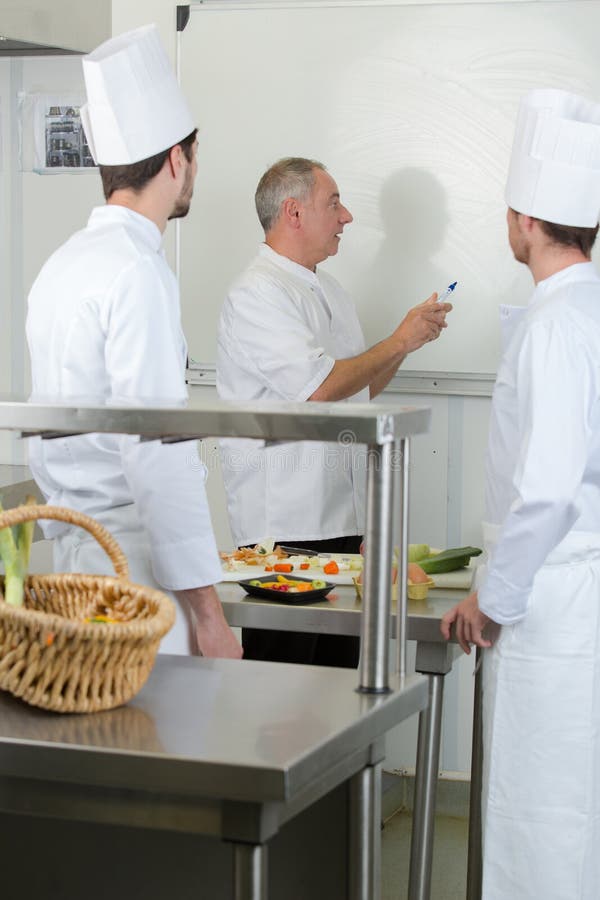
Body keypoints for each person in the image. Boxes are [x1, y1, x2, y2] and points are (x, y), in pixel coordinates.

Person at [26, 24, 241, 659]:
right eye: (195, 156)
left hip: (74, 568)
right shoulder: (138, 272)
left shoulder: (63, 263)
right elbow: (157, 453)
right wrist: (209, 616)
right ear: (177, 159)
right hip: (135, 578)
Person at [440, 88, 600, 899]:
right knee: (570, 811)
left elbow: (547, 491)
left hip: (550, 598)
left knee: (541, 815)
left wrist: (491, 600)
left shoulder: (556, 323)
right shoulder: (584, 308)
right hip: (571, 587)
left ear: (525, 221)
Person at [217, 157, 452, 666]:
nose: (346, 217)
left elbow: (356, 391)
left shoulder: (331, 292)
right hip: (285, 531)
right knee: (279, 688)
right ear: (294, 212)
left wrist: (406, 344)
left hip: (344, 523)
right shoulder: (258, 293)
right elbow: (318, 389)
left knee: (338, 685)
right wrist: (397, 339)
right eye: (334, 203)